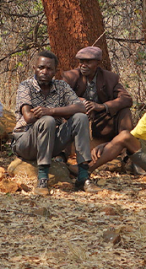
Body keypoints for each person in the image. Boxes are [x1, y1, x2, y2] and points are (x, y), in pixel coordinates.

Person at [11, 51, 93, 196]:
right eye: (41, 67)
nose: (44, 72)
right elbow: (28, 117)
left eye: (49, 69)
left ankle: (83, 177)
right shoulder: (26, 86)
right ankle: (42, 179)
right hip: (26, 142)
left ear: (55, 71)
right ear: (34, 68)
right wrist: (49, 115)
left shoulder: (61, 86)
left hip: (49, 142)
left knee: (80, 118)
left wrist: (51, 111)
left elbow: (81, 108)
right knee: (47, 121)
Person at [61, 46, 133, 142]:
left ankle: (126, 147)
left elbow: (127, 99)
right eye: (81, 62)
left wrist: (102, 106)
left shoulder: (109, 78)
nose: (83, 65)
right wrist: (83, 103)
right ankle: (64, 152)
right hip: (77, 119)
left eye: (88, 62)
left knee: (125, 111)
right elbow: (61, 96)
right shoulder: (71, 76)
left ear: (97, 63)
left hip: (101, 120)